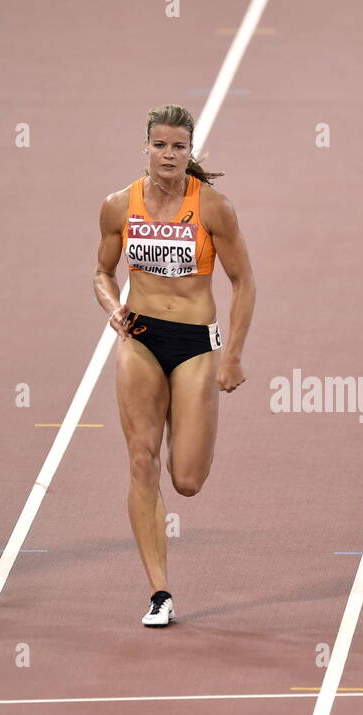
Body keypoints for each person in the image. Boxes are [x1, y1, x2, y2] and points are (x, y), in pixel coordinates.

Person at [93, 104, 256, 627]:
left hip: (193, 342)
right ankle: (159, 591)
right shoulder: (119, 205)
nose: (169, 155)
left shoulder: (213, 207)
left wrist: (232, 354)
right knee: (142, 462)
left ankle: (190, 424)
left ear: (191, 151)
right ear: (145, 147)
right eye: (160, 145)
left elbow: (244, 283)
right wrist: (112, 306)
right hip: (139, 336)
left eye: (178, 147)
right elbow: (101, 272)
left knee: (185, 479)